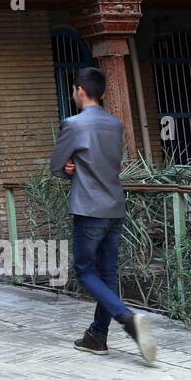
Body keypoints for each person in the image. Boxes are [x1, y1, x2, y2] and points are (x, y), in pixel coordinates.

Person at [48, 66, 156, 364]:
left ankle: (127, 318)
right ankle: (97, 337)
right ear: (103, 93)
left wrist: (68, 169)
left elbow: (56, 166)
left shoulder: (73, 124)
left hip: (88, 207)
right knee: (107, 273)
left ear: (79, 91)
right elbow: (111, 162)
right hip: (114, 206)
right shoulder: (115, 124)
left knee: (85, 271)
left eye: (74, 90)